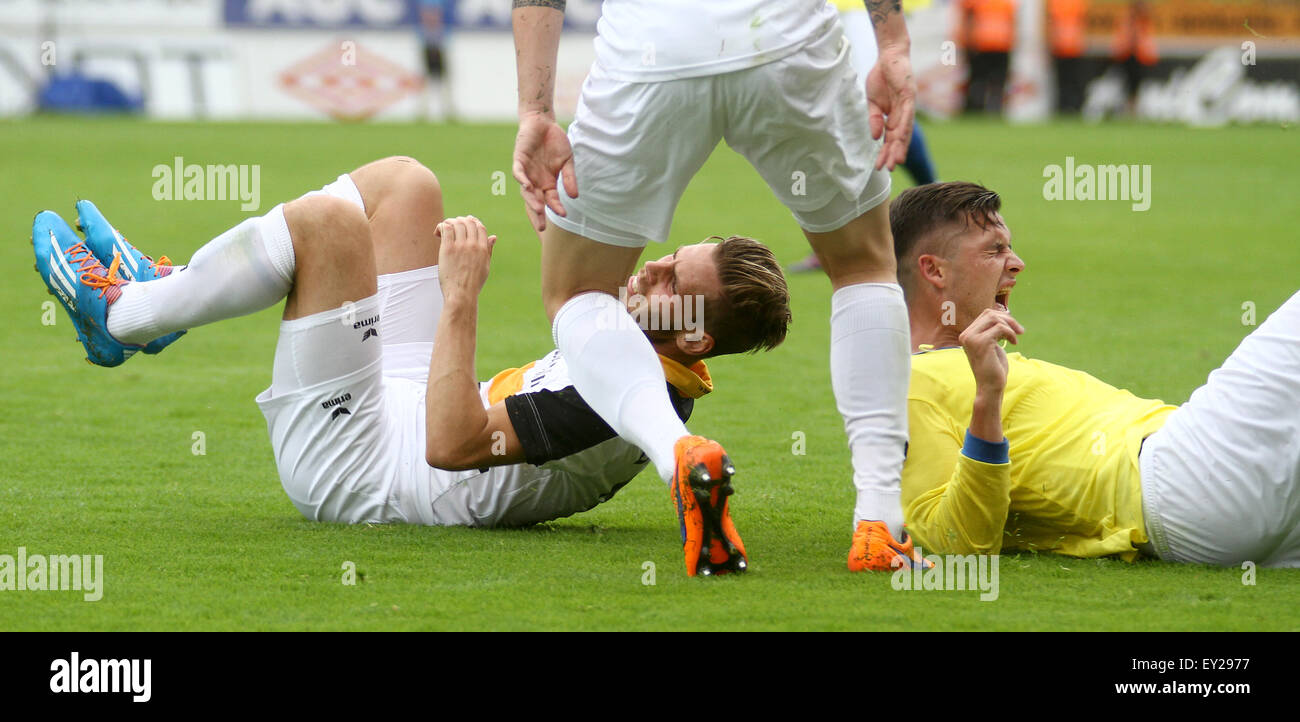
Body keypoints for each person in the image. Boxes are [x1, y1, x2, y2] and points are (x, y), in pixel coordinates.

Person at [30, 157, 791, 574]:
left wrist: (460, 297)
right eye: (670, 258)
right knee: (407, 185)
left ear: (693, 341)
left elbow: (452, 446)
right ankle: (163, 295)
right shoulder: (647, 361)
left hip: (359, 471)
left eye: (672, 284)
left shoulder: (625, 403)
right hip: (394, 407)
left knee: (330, 226)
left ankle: (126, 316)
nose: (651, 270)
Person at [510, 0, 924, 573]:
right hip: (786, 40)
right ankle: (879, 524)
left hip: (654, 47)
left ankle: (676, 452)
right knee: (862, 267)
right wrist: (894, 44)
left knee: (581, 293)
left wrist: (535, 108)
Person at [892, 181, 1300, 567]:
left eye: (1010, 247)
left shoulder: (971, 361)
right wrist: (988, 398)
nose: (1017, 263)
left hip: (1235, 512)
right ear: (935, 271)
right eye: (994, 250)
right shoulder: (914, 383)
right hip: (1180, 483)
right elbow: (956, 542)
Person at [789, 0, 940, 274]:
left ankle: (936, 201)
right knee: (837, 114)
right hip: (818, 12)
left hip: (860, 9)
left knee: (871, 106)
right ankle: (837, 244)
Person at [959, 0, 1017, 115]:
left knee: (997, 81)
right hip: (981, 44)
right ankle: (975, 110)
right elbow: (968, 19)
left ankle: (995, 110)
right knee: (979, 81)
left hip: (1000, 45)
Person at [1047, 0, 1088, 115]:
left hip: (1072, 48)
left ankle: (1073, 109)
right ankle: (1064, 109)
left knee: (1072, 82)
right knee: (1064, 82)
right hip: (1064, 48)